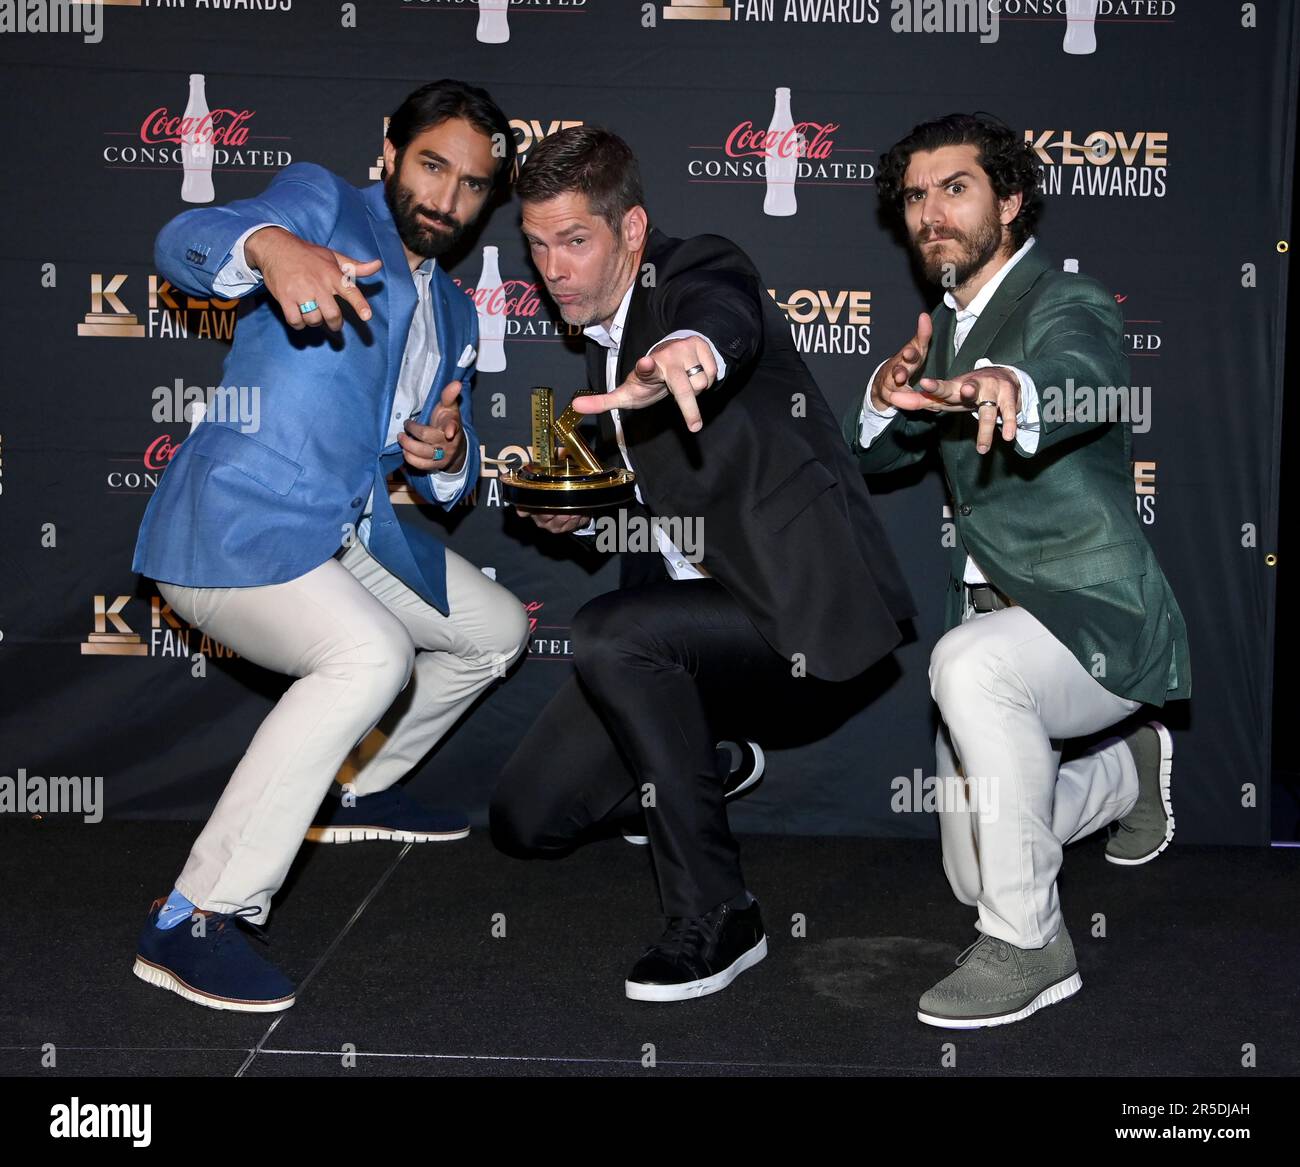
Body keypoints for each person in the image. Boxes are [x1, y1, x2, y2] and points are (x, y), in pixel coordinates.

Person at [489, 126, 915, 1002]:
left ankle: (721, 916)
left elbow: (719, 315)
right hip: (687, 632)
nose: (553, 268)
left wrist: (694, 351)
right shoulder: (600, 344)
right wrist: (575, 514)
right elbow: (673, 497)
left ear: (633, 231)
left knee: (612, 634)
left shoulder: (692, 269)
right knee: (524, 822)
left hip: (790, 613)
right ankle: (704, 760)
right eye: (537, 245)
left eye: (577, 240)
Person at [130, 79, 530, 1012]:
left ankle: (360, 790)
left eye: (474, 186)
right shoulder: (322, 204)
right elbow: (180, 246)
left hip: (348, 532)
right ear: (389, 150)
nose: (448, 200)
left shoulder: (462, 315)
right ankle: (193, 914)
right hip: (233, 520)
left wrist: (449, 452)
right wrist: (271, 250)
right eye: (432, 166)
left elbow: (445, 476)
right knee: (371, 656)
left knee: (498, 628)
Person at [845, 112, 1191, 1028]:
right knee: (972, 869)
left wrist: (1013, 386)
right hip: (1005, 621)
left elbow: (1083, 374)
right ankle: (1127, 767)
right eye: (915, 196)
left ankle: (1034, 942)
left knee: (966, 663)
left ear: (1011, 199)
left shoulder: (1064, 303)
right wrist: (887, 395)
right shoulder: (946, 334)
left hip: (1095, 617)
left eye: (954, 188)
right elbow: (873, 461)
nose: (930, 212)